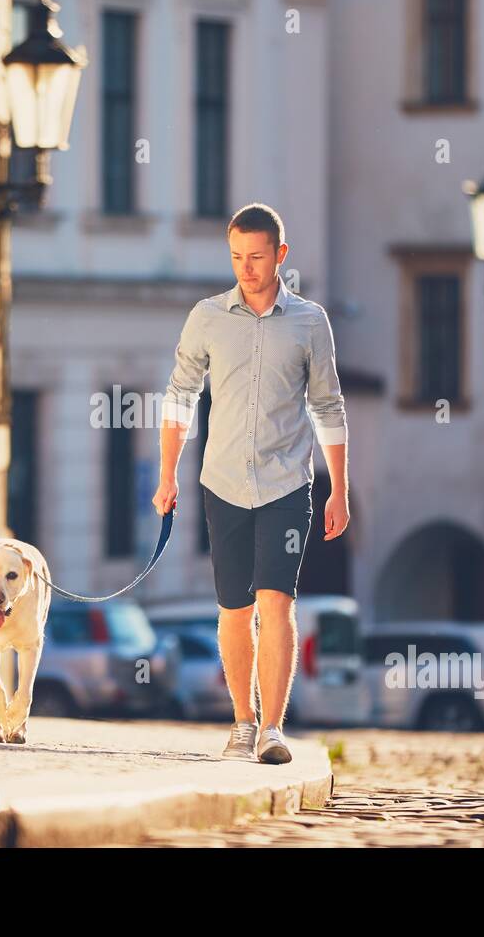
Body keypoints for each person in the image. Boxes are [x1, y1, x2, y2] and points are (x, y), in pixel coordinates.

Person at [154, 202, 350, 764]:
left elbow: (328, 405)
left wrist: (338, 488)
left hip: (288, 484)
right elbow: (179, 396)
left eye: (258, 258)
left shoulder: (310, 322)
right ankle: (242, 720)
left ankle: (272, 729)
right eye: (237, 257)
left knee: (277, 602)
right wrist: (167, 474)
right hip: (222, 483)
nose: (247, 268)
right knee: (235, 609)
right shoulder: (208, 317)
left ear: (280, 256)